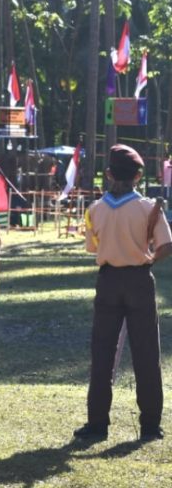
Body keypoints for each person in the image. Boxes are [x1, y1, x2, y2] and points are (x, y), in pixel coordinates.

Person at [74, 144, 170, 443]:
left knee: (102, 353)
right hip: (140, 280)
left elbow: (91, 247)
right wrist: (147, 259)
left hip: (108, 281)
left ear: (109, 174)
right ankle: (150, 426)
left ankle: (97, 424)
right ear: (138, 176)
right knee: (146, 354)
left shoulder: (95, 210)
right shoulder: (148, 208)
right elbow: (166, 244)